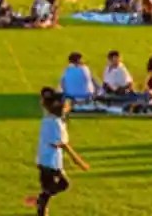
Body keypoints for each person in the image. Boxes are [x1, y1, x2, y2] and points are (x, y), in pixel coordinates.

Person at [25, 88, 88, 216]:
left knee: (48, 191)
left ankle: (41, 202)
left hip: (46, 160)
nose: (69, 107)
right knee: (63, 184)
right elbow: (63, 144)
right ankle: (40, 200)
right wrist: (78, 161)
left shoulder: (51, 119)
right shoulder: (55, 123)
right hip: (50, 162)